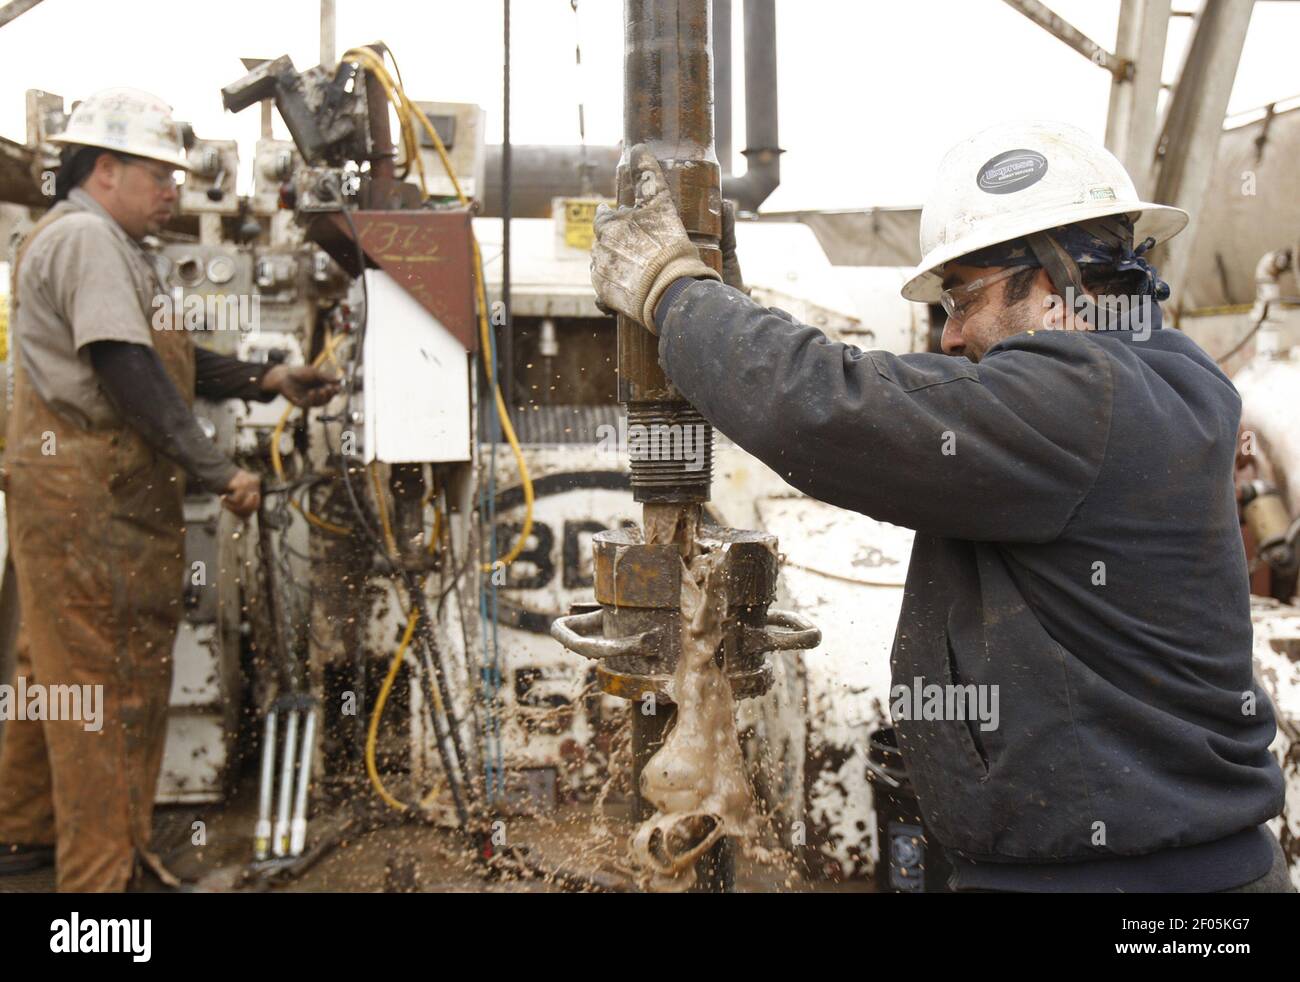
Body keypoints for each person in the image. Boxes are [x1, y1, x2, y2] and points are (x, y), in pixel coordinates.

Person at [589, 122, 1292, 892]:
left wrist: (673, 294)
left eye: (964, 299)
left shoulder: (1082, 401)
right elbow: (885, 397)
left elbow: (829, 408)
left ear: (1056, 283)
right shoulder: (1164, 379)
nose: (951, 335)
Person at [0, 87, 337, 891]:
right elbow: (130, 373)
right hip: (94, 504)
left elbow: (169, 363)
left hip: (68, 500)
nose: (173, 193)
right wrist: (221, 471)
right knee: (102, 686)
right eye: (160, 176)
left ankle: (22, 838)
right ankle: (101, 885)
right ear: (105, 167)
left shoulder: (105, 244)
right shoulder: (87, 239)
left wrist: (267, 377)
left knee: (48, 670)